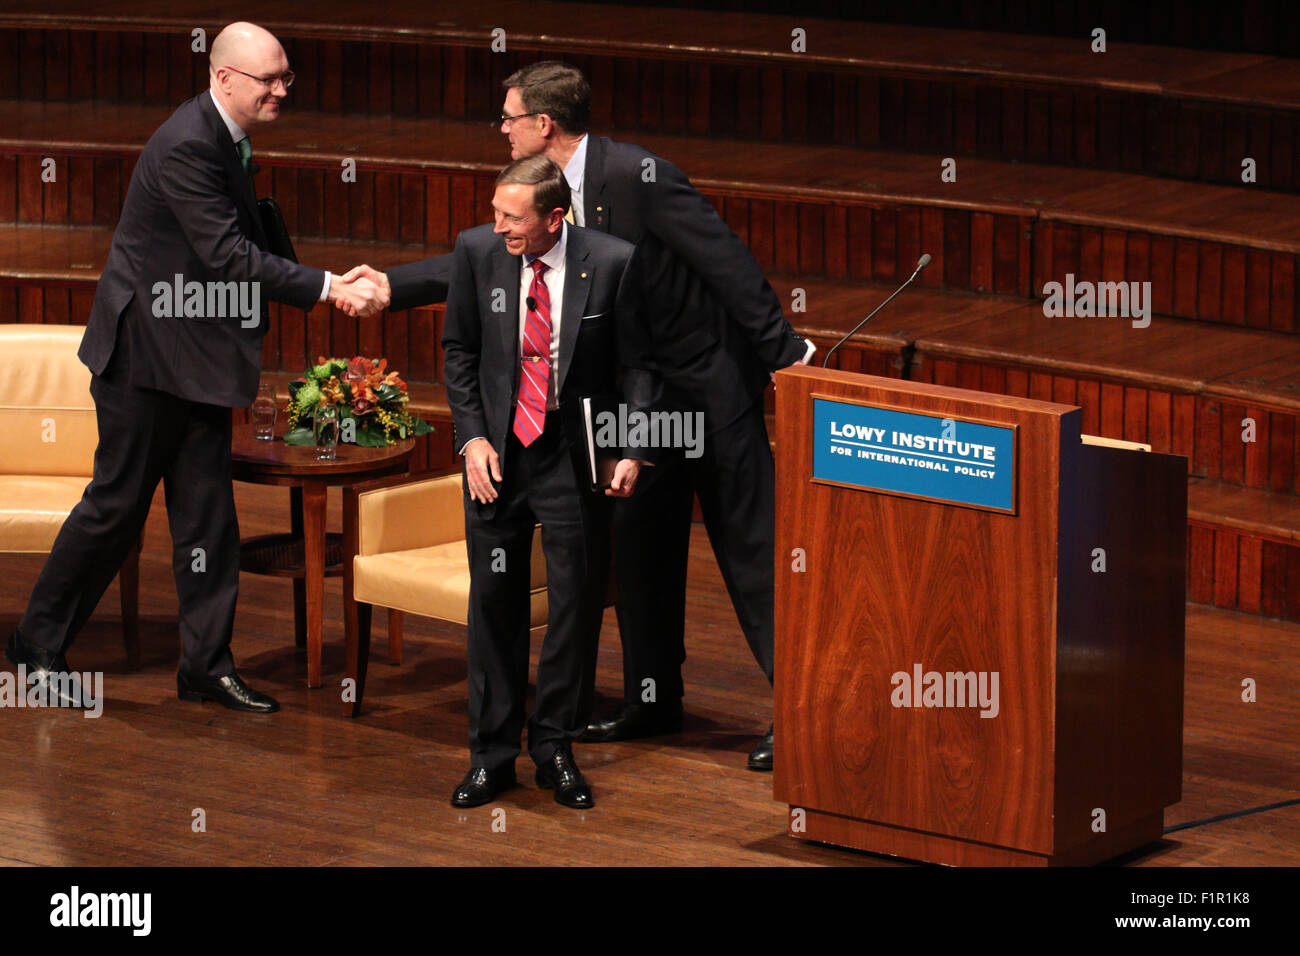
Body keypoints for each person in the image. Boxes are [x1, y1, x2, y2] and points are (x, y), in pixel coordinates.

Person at [5, 21, 389, 715]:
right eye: (267, 79)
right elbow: (228, 258)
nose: (280, 90)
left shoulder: (225, 135)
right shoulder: (187, 143)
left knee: (209, 519)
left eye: (285, 78)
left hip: (195, 355)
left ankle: (205, 666)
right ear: (223, 77)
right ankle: (35, 642)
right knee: (116, 509)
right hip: (146, 360)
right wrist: (329, 286)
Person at [442, 155, 649, 809]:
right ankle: (491, 755)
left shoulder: (612, 261)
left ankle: (555, 745)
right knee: (493, 605)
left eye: (513, 216)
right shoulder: (478, 251)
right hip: (498, 458)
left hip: (569, 454)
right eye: (496, 211)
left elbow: (640, 365)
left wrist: (633, 447)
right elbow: (460, 350)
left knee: (572, 607)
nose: (497, 224)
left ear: (555, 217)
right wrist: (471, 435)